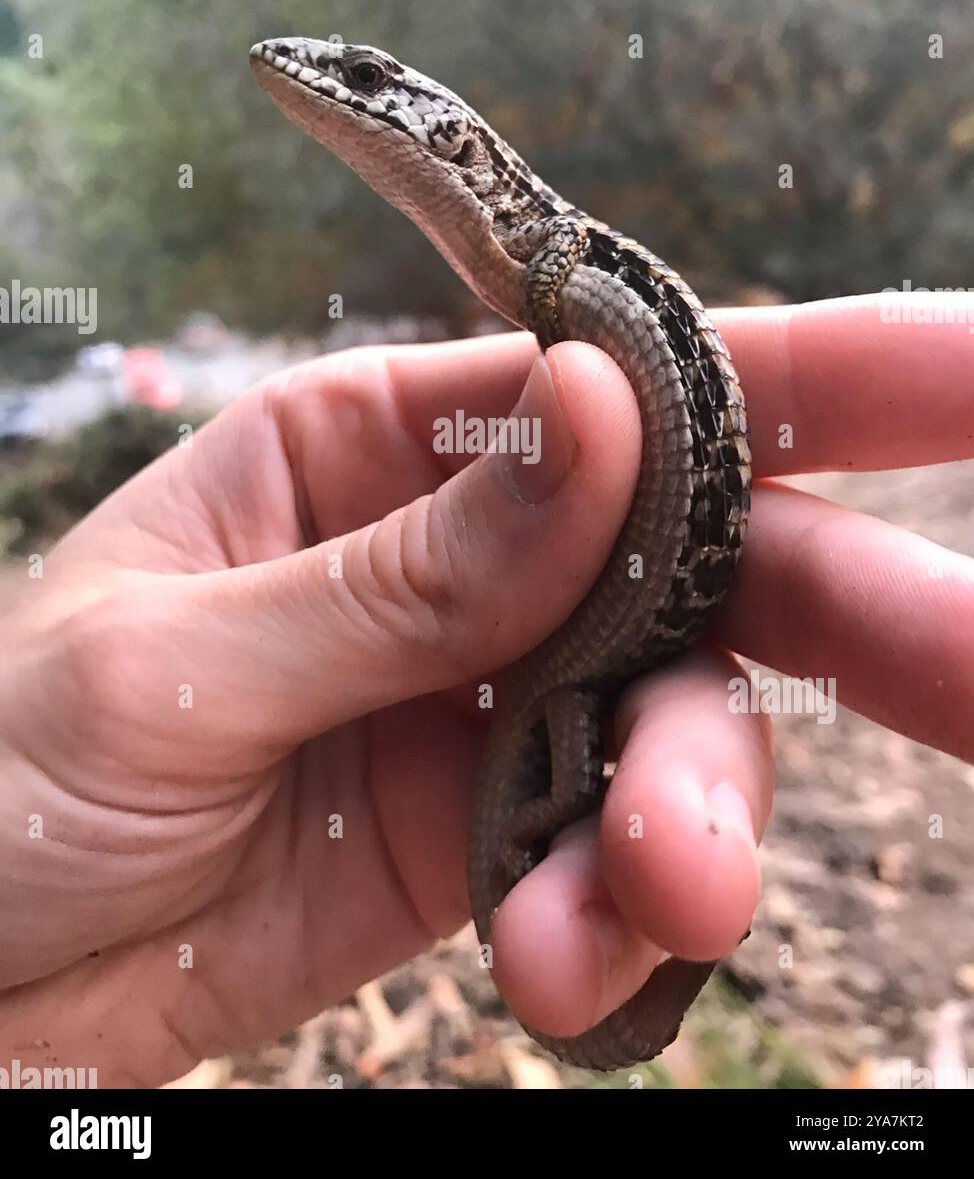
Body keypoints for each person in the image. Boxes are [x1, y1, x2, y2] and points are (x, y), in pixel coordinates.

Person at [1, 296, 971, 1087]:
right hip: (575, 668)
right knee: (617, 782)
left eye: (371, 81)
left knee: (623, 782)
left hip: (589, 655)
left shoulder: (572, 278)